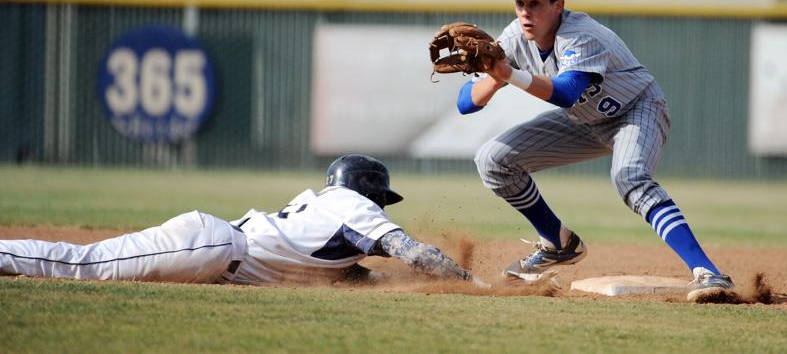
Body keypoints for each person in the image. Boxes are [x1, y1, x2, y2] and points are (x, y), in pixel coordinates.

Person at [456, 0, 733, 301]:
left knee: (629, 177)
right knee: (492, 160)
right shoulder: (514, 37)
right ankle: (559, 243)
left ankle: (709, 273)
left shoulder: (581, 34)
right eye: (520, 3)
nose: (526, 12)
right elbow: (465, 104)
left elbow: (567, 91)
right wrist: (496, 77)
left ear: (558, 5)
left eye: (536, 3)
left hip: (637, 109)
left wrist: (509, 73)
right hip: (584, 121)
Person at [0, 154, 486, 288]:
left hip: (215, 248)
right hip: (213, 248)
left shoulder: (327, 214)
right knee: (89, 266)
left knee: (93, 265)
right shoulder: (353, 207)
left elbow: (353, 276)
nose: (383, 207)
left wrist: (393, 283)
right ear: (370, 192)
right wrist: (471, 284)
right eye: (381, 199)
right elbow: (414, 253)